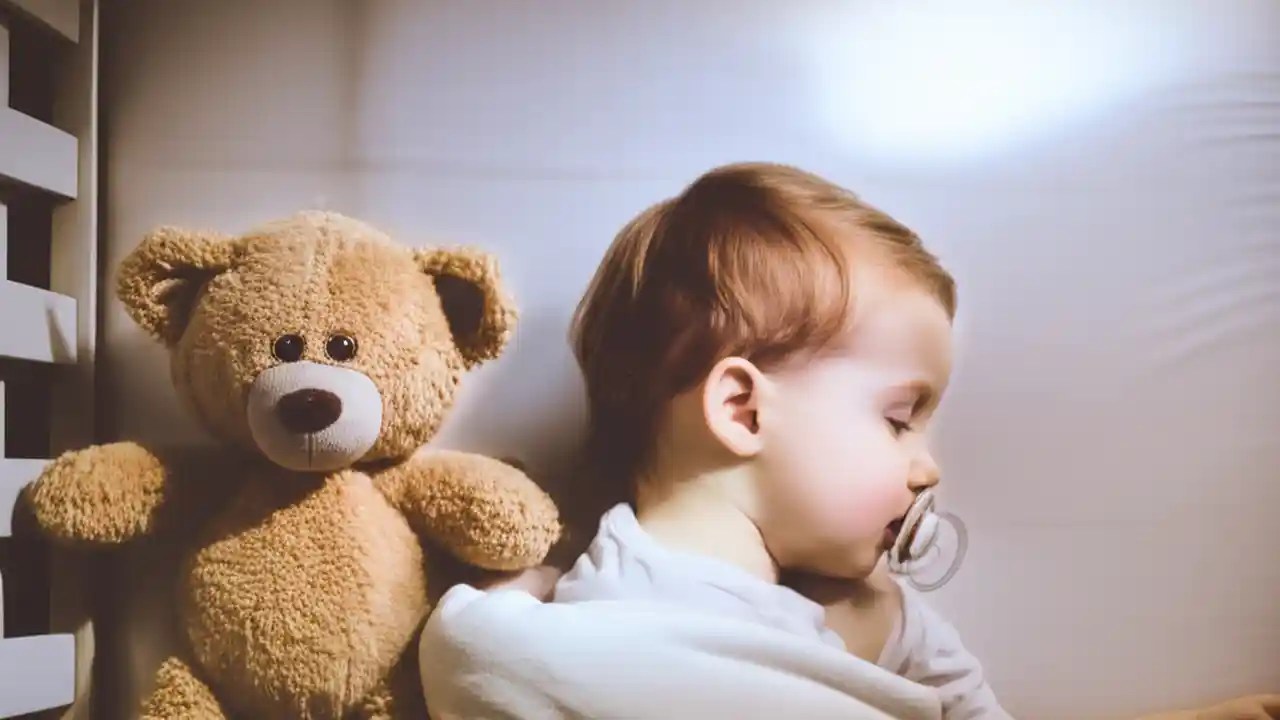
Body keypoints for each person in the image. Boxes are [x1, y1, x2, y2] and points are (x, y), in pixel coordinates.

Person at [420, 162, 1279, 720]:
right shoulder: (580, 623)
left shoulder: (880, 621)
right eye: (899, 419)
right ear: (743, 411)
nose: (927, 466)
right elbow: (485, 659)